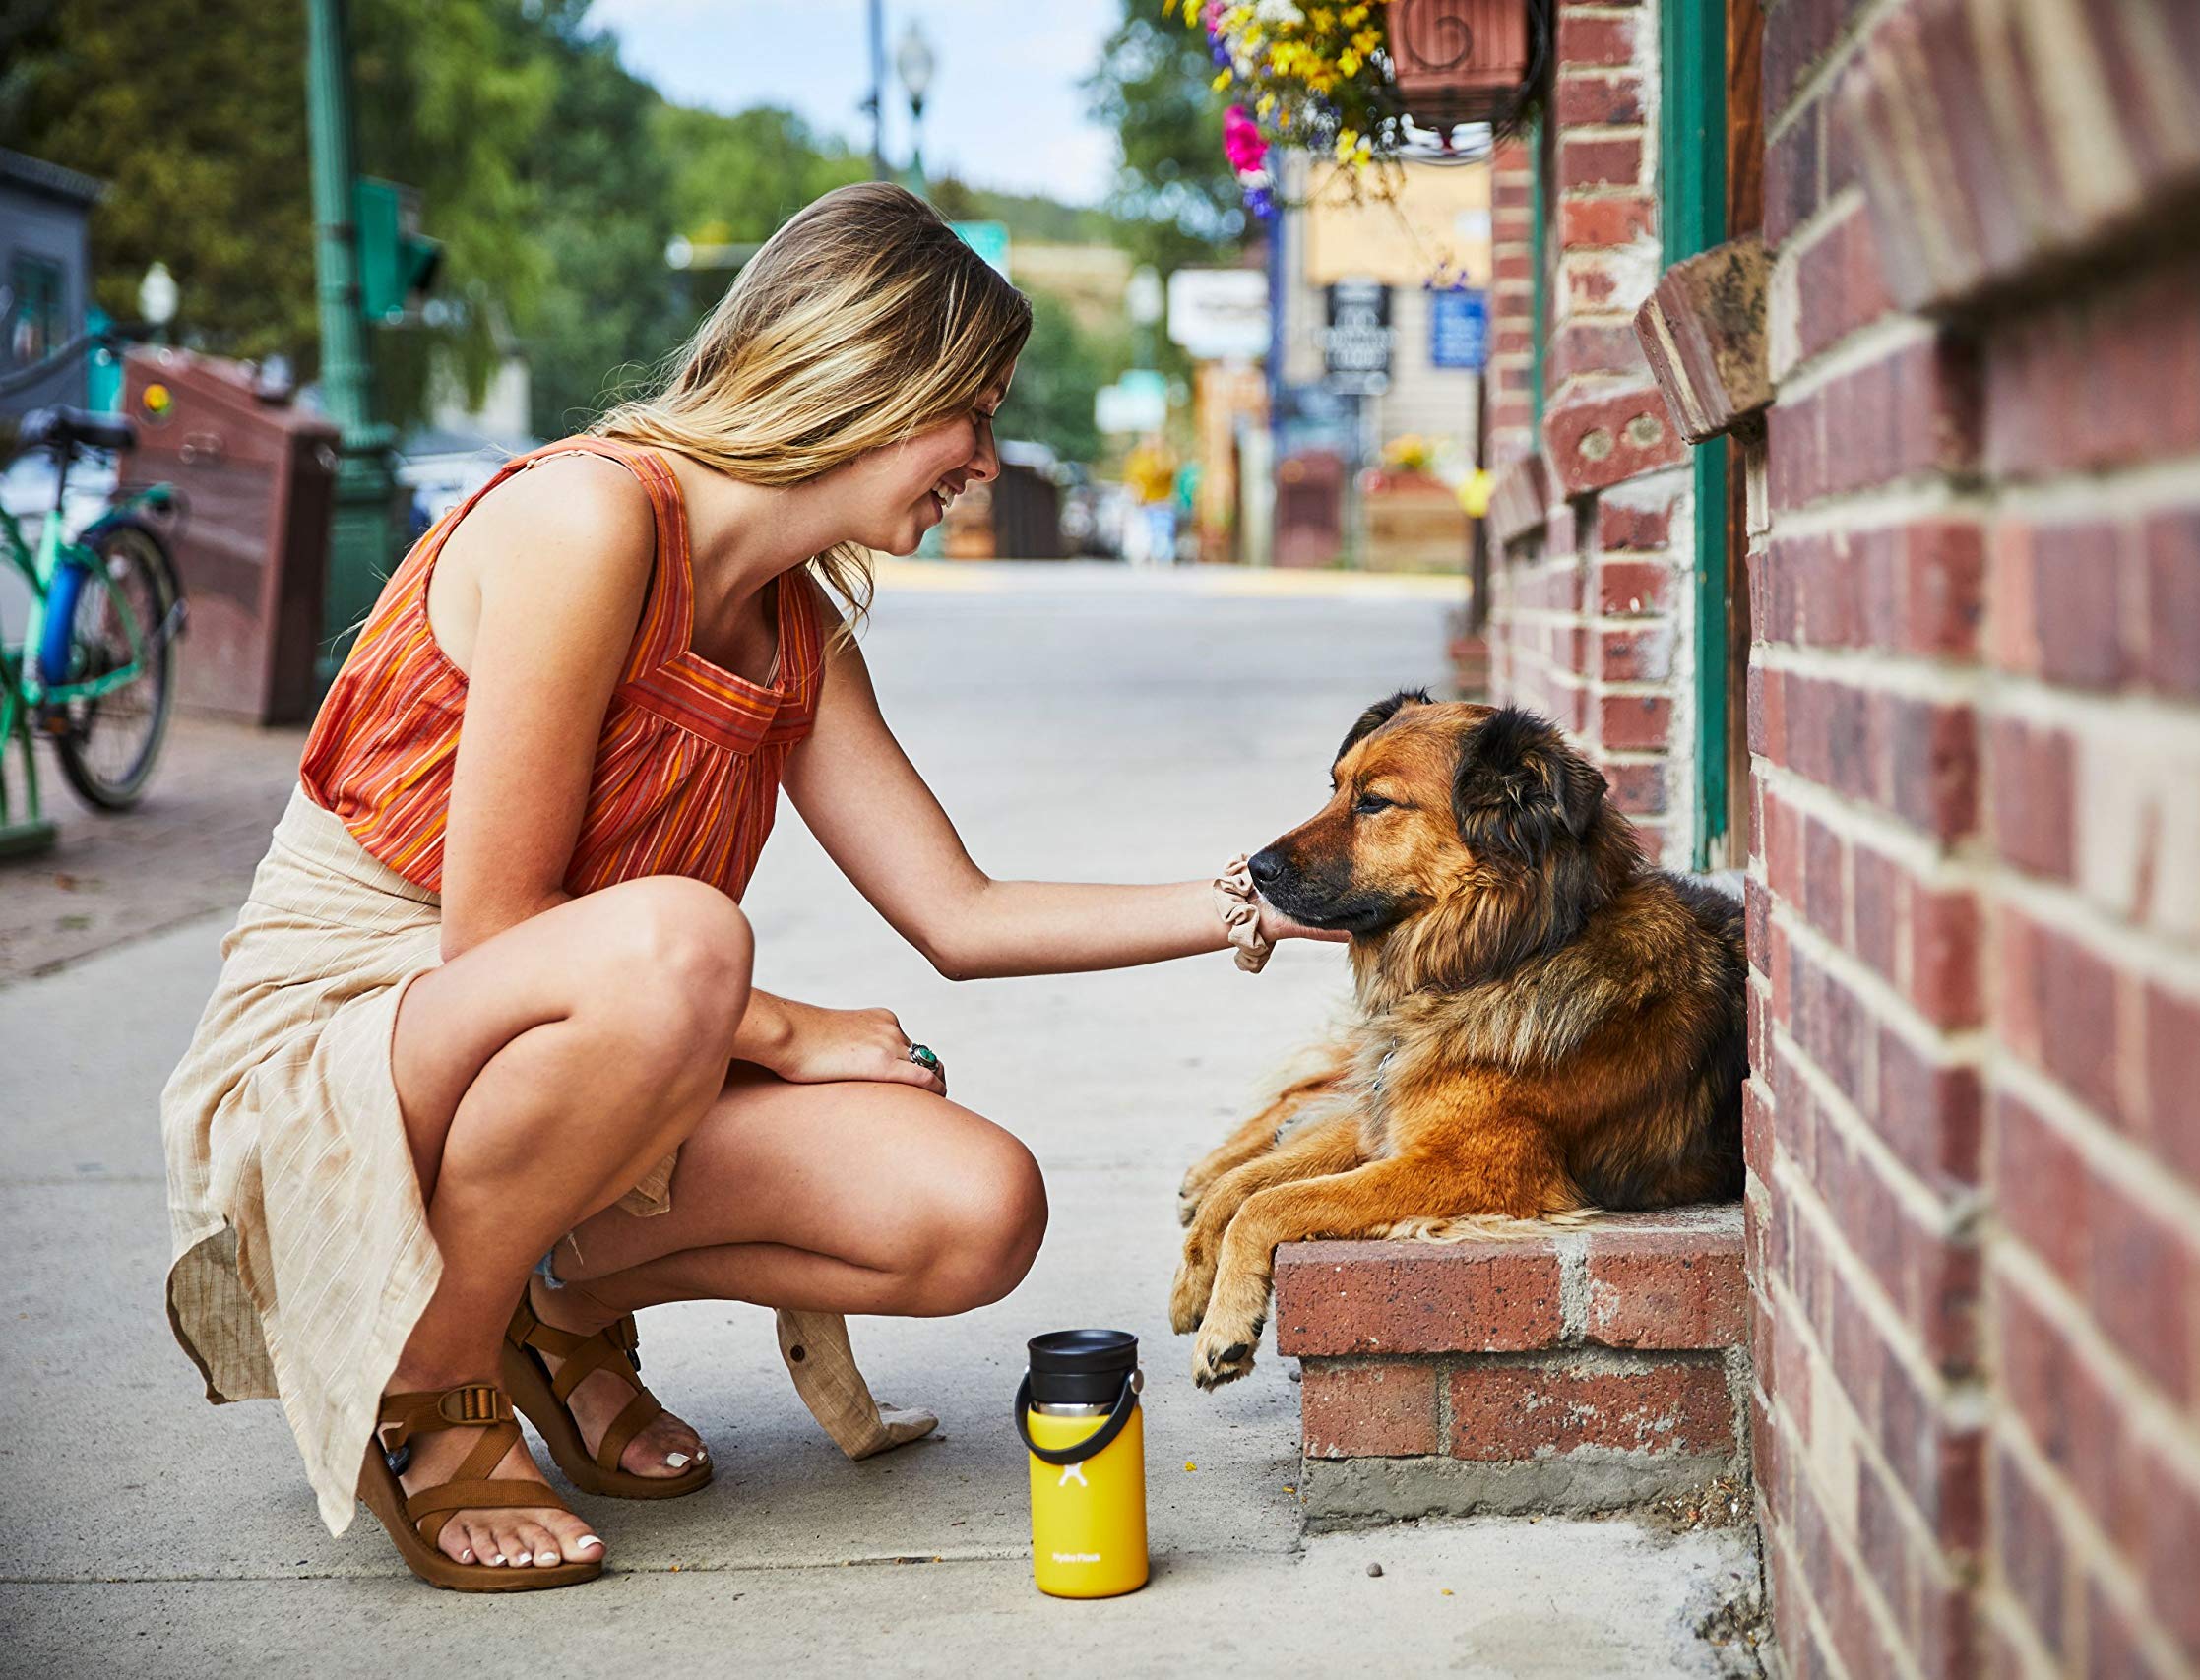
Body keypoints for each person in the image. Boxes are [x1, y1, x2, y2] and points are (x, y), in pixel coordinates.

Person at [159, 184, 1329, 1592]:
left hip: (597, 1043)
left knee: (975, 1208)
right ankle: (433, 1375)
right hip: (357, 1035)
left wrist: (1267, 894)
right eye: (977, 412)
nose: (986, 458)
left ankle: (551, 1294)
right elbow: (494, 939)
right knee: (682, 941)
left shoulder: (796, 629)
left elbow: (960, 914)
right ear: (877, 378)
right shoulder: (587, 520)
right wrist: (783, 1031)